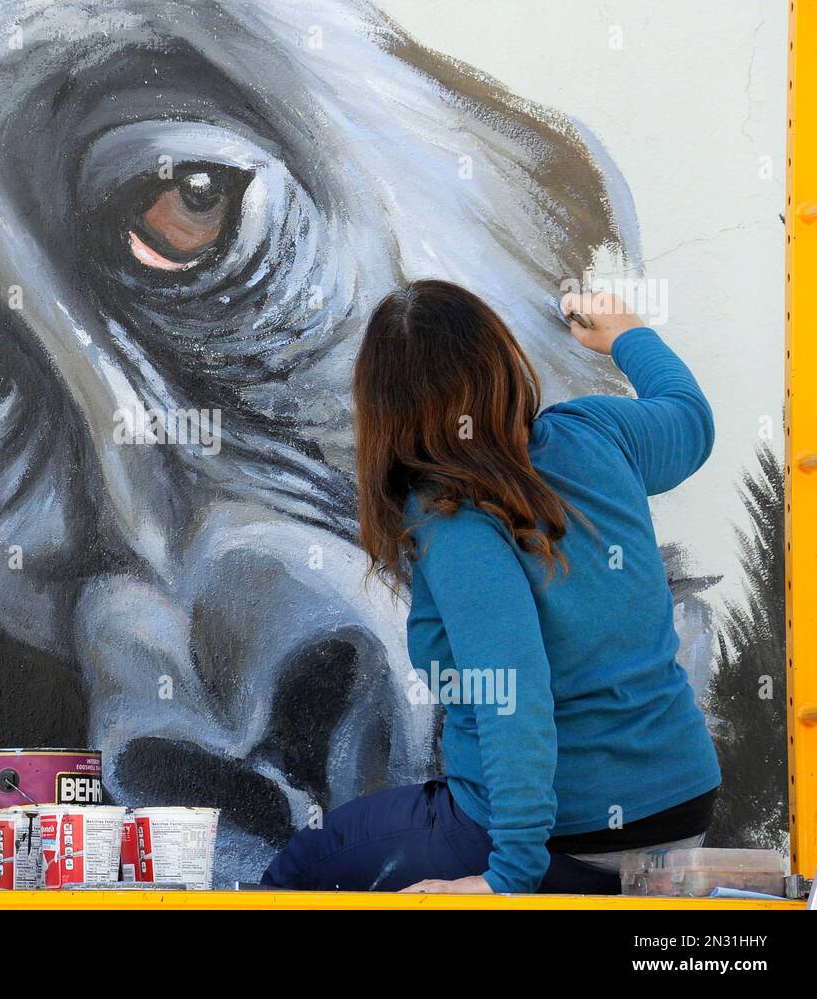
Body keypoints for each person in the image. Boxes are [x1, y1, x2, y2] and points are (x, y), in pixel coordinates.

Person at [261, 280, 721, 895]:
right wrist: (627, 336)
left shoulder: (453, 520)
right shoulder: (596, 431)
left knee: (306, 864)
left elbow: (514, 698)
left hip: (565, 835)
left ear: (383, 412)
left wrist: (506, 882)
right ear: (501, 359)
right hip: (681, 802)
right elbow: (689, 420)